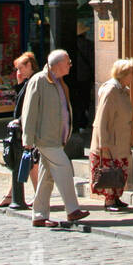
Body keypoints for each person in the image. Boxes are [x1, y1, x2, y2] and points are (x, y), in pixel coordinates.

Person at [21, 49, 89, 227]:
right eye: (68, 62)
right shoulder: (39, 81)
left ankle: (39, 216)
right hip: (46, 139)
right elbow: (29, 112)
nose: (70, 65)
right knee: (64, 166)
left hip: (57, 139)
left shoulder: (59, 82)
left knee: (47, 177)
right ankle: (72, 210)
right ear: (58, 65)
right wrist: (27, 141)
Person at [89, 58, 133, 211]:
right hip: (111, 141)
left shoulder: (124, 90)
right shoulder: (111, 90)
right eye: (131, 73)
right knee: (110, 169)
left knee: (120, 170)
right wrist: (103, 143)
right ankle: (109, 201)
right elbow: (102, 118)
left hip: (121, 139)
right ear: (123, 74)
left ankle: (116, 198)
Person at [0, 51, 41, 210]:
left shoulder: (35, 81)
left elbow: (30, 105)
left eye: (20, 68)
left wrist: (22, 122)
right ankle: (18, 195)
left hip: (27, 129)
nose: (18, 72)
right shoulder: (27, 81)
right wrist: (18, 82)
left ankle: (31, 196)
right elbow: (22, 100)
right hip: (22, 129)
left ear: (29, 66)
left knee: (29, 162)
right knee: (28, 162)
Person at [72, 18, 95, 130]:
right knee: (84, 100)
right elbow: (92, 61)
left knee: (75, 100)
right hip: (85, 78)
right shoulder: (88, 45)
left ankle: (78, 121)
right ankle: (82, 122)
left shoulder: (70, 44)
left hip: (73, 77)